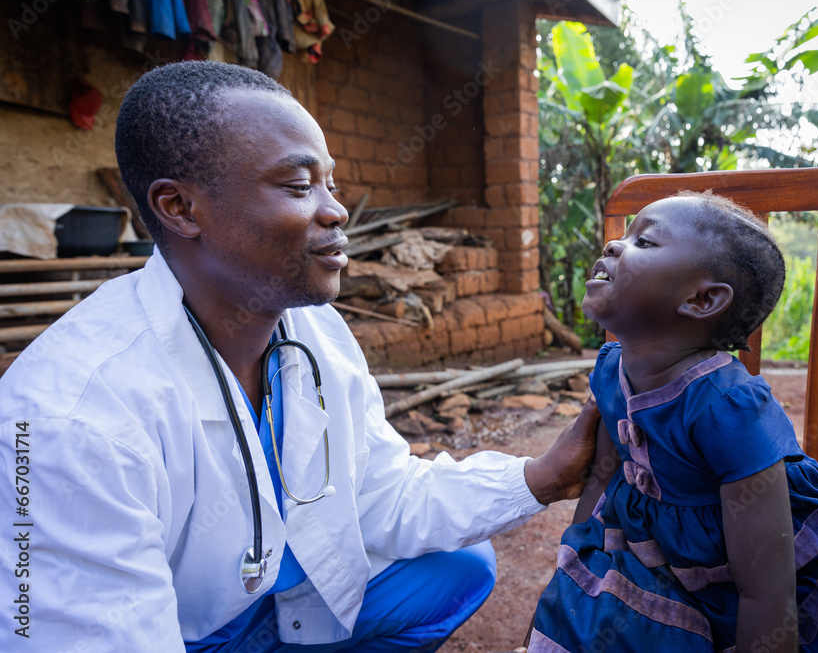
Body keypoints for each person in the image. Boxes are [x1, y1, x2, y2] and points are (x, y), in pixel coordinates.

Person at [0, 60, 600, 651]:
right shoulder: (67, 420)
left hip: (266, 609)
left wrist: (542, 477)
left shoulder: (315, 331)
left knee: (458, 568)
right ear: (179, 208)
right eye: (296, 186)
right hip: (178, 633)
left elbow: (384, 493)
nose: (336, 210)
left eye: (329, 184)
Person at [528, 192, 818, 652]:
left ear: (702, 299)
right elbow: (604, 475)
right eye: (624, 235)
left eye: (643, 241)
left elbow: (766, 590)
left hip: (764, 565)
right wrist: (575, 557)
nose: (612, 244)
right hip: (652, 553)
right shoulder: (610, 368)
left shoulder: (728, 405)